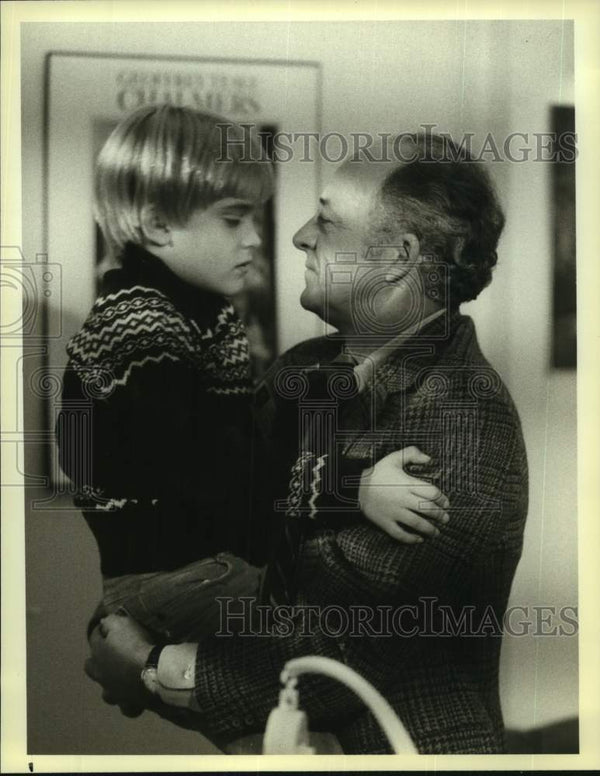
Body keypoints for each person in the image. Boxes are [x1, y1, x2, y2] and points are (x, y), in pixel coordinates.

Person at [84, 132, 528, 754]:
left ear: (400, 254)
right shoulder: (306, 367)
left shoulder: (461, 413)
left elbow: (341, 654)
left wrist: (147, 663)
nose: (295, 236)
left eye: (326, 220)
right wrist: (128, 615)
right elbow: (207, 516)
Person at [58, 107, 448, 672]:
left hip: (186, 570)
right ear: (158, 225)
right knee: (333, 652)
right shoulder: (143, 323)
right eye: (233, 219)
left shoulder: (195, 314)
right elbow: (211, 474)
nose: (257, 239)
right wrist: (351, 489)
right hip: (175, 576)